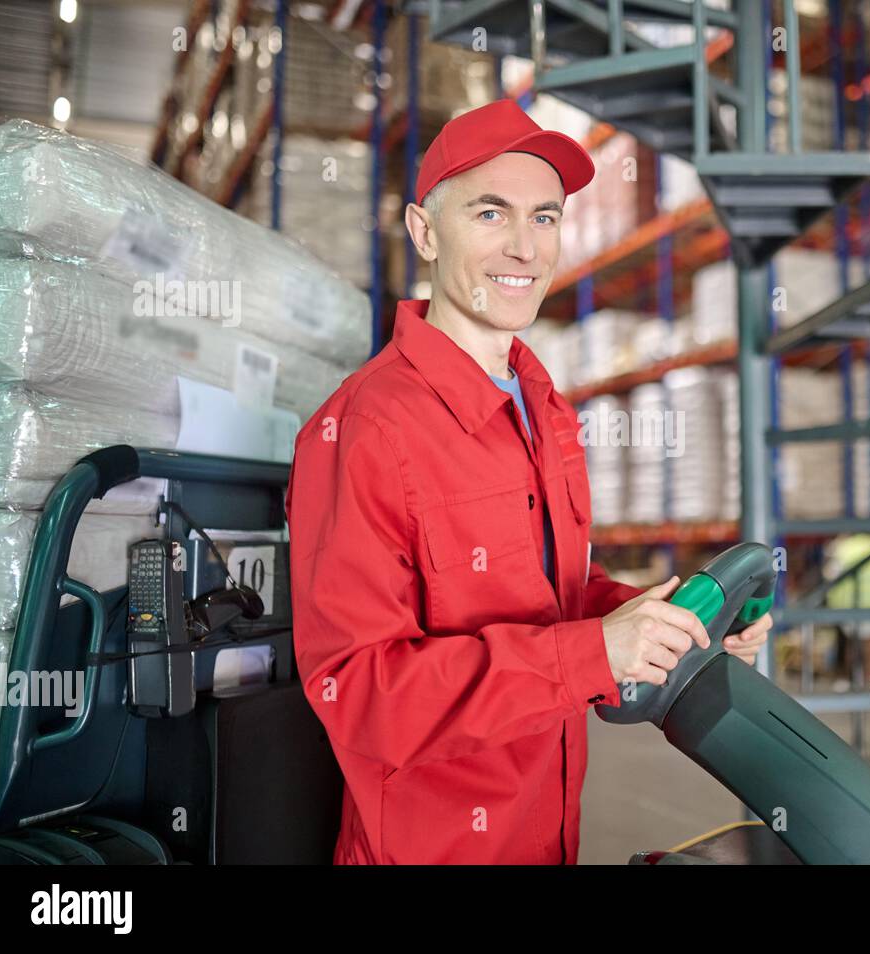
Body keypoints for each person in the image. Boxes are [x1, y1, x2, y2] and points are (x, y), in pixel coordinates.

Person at [285, 99, 772, 864]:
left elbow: (555, 597)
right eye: (490, 213)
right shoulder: (364, 428)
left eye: (545, 217)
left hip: (549, 832)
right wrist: (592, 655)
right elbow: (360, 690)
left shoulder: (543, 407)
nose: (524, 246)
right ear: (424, 232)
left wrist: (663, 625)